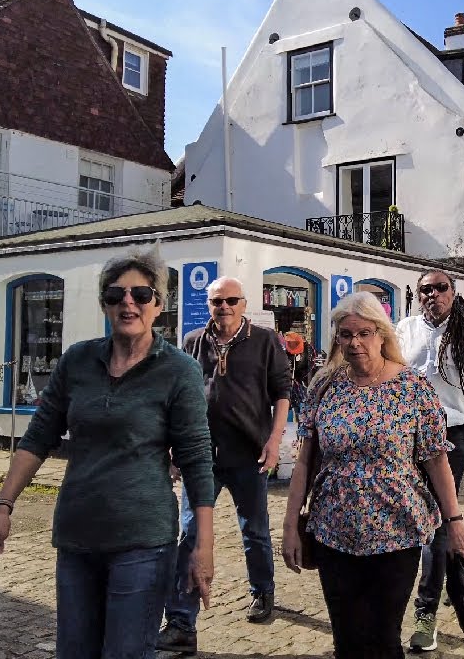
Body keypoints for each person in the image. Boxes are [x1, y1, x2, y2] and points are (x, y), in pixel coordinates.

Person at [0, 246, 216, 658]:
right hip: (77, 536)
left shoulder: (178, 370)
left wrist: (204, 545)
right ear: (105, 304)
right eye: (116, 295)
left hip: (143, 541)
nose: (129, 303)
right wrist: (3, 506)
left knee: (125, 652)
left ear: (158, 305)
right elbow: (38, 437)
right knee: (74, 651)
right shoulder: (77, 360)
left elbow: (197, 460)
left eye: (141, 295)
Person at [281, 291, 464, 659]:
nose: (355, 343)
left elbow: (436, 459)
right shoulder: (324, 387)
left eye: (364, 333)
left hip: (396, 533)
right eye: (345, 334)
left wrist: (455, 521)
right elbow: (305, 462)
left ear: (382, 335)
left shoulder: (413, 389)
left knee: (383, 639)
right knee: (347, 639)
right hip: (333, 532)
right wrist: (291, 525)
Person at [158, 277, 292, 654]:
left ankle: (262, 592)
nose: (224, 306)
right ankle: (181, 621)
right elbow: (179, 397)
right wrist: (173, 443)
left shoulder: (265, 341)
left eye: (232, 300)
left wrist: (274, 439)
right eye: (217, 301)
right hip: (200, 456)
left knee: (255, 530)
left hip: (249, 454)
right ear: (208, 304)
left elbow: (282, 392)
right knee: (189, 535)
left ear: (244, 303)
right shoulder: (192, 343)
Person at [397, 271, 464, 652]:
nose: (433, 295)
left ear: (453, 293)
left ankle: (425, 612)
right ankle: (445, 575)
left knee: (439, 520)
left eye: (440, 288)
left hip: (452, 433)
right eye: (425, 289)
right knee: (411, 518)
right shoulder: (404, 330)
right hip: (406, 435)